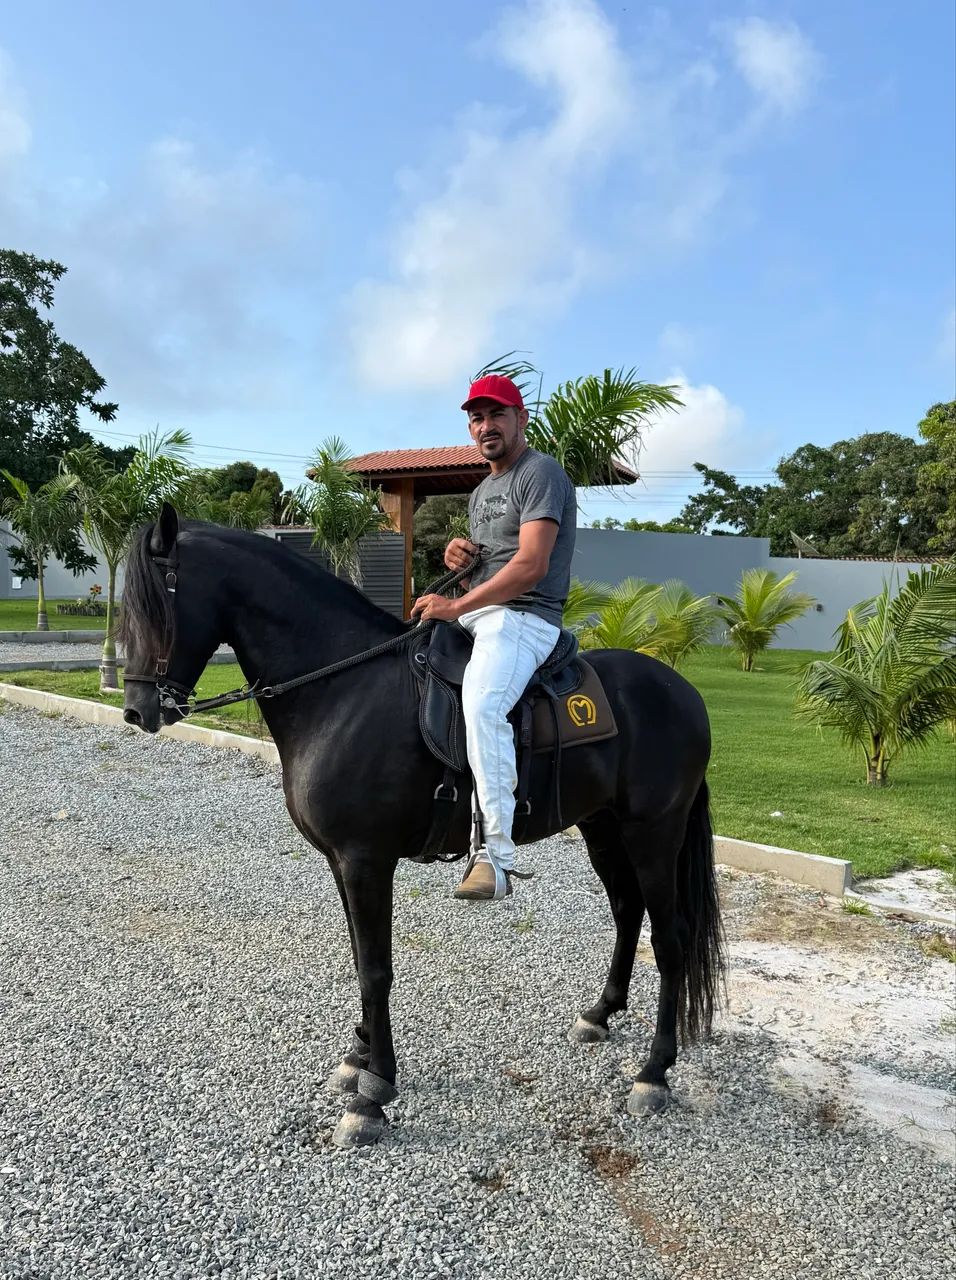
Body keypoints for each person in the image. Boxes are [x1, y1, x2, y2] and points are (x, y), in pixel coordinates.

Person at [411, 374, 577, 901]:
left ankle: (495, 857)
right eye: (477, 418)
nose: (486, 426)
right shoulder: (482, 490)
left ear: (521, 419)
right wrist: (460, 564)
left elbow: (530, 565)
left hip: (524, 619)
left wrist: (456, 604)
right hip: (480, 613)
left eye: (496, 415)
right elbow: (490, 565)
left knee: (482, 704)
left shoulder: (540, 472)